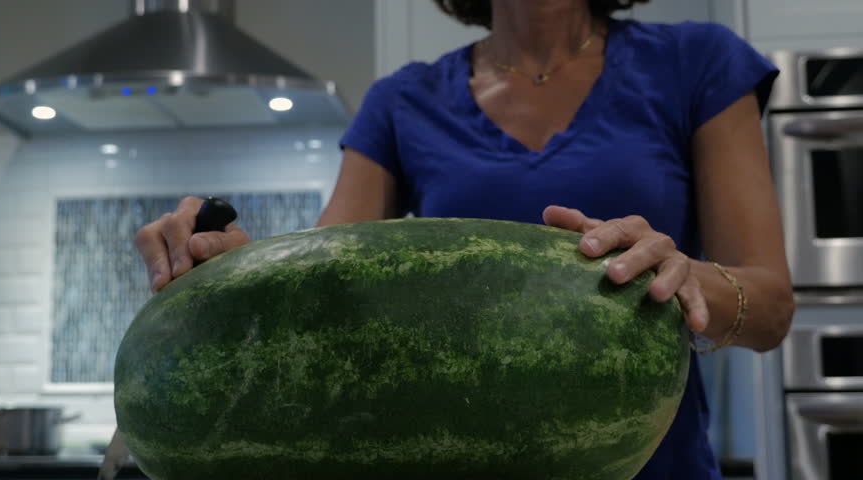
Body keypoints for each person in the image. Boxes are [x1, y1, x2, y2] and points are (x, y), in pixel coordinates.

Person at [134, 0, 796, 477]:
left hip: (652, 463)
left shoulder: (696, 63)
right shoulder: (403, 99)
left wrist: (685, 276)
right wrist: (228, 268)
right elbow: (320, 286)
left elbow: (770, 308)